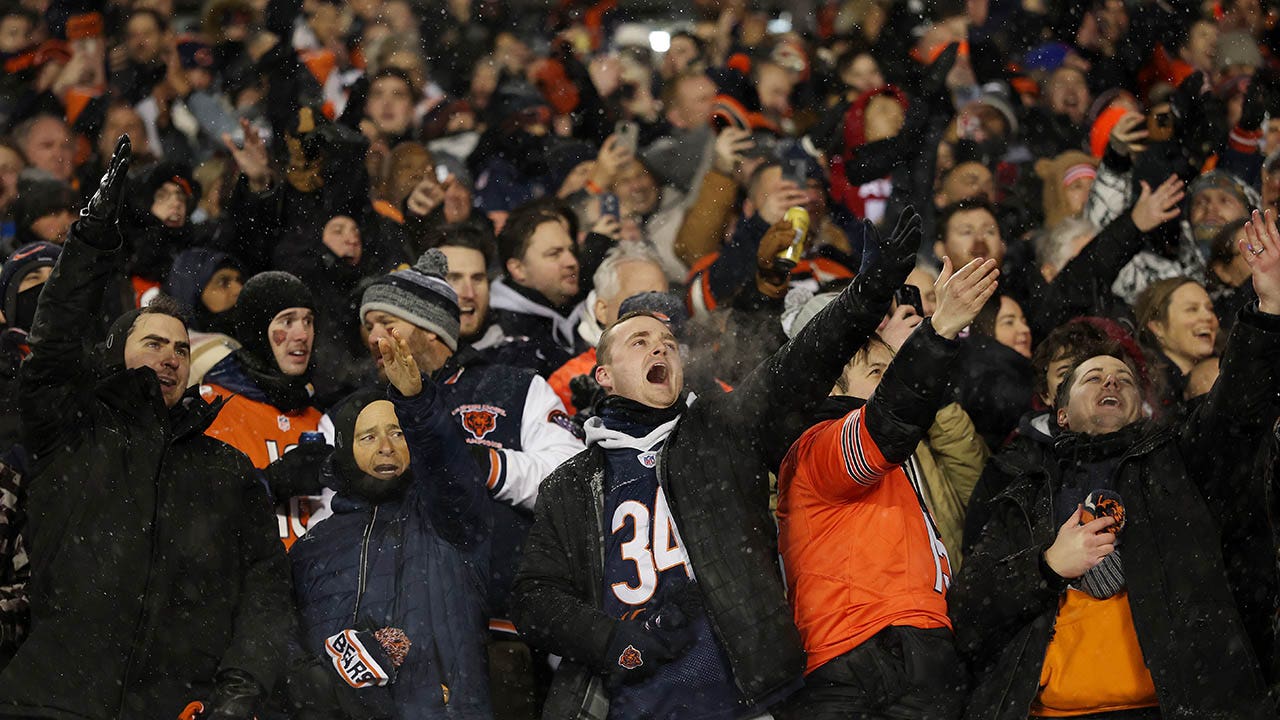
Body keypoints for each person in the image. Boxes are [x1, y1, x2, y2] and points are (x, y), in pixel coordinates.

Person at [511, 209, 924, 718]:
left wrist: (868, 292)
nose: (659, 349)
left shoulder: (722, 432)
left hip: (745, 700)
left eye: (668, 344)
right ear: (604, 376)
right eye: (639, 342)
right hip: (632, 704)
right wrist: (614, 642)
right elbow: (534, 599)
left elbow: (801, 363)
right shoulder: (573, 483)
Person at [949, 208, 1280, 719]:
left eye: (1123, 379)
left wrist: (1269, 306)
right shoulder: (1022, 484)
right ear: (1058, 414)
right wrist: (1048, 565)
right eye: (1092, 378)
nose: (1111, 382)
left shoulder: (1176, 461)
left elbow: (1237, 409)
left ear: (1141, 406)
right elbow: (971, 609)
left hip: (1172, 706)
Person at [0, 137, 291, 719]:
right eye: (152, 343)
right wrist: (90, 243)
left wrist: (243, 684)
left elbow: (265, 586)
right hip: (53, 700)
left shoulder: (226, 468)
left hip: (171, 705)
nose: (169, 358)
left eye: (181, 350)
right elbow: (53, 343)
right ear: (114, 356)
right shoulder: (69, 432)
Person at [357, 250, 583, 716]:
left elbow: (572, 480)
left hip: (501, 630)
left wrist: (489, 466)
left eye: (387, 323)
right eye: (368, 326)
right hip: (396, 636)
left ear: (430, 327)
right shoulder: (359, 409)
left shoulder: (513, 387)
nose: (375, 338)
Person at [774, 256, 998, 719]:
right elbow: (884, 425)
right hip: (861, 655)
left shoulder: (898, 460)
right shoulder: (817, 448)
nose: (890, 379)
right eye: (880, 372)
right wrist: (938, 332)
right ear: (833, 389)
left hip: (921, 644)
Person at [288, 330, 493, 719]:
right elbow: (292, 659)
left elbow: (450, 470)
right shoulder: (311, 548)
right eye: (368, 436)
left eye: (397, 432)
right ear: (345, 451)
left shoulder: (449, 520)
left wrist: (416, 403)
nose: (386, 446)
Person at [199, 271, 325, 548]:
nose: (302, 334)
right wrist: (270, 483)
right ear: (257, 330)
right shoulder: (210, 408)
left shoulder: (320, 420)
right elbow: (196, 510)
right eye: (287, 321)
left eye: (308, 321)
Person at [489, 204, 583, 375]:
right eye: (554, 254)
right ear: (518, 269)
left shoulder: (583, 311)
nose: (572, 262)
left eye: (571, 250)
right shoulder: (503, 334)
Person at [1132, 276, 1219, 415]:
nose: (1208, 317)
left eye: (1210, 308)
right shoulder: (1145, 387)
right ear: (1157, 327)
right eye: (1192, 309)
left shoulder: (1229, 366)